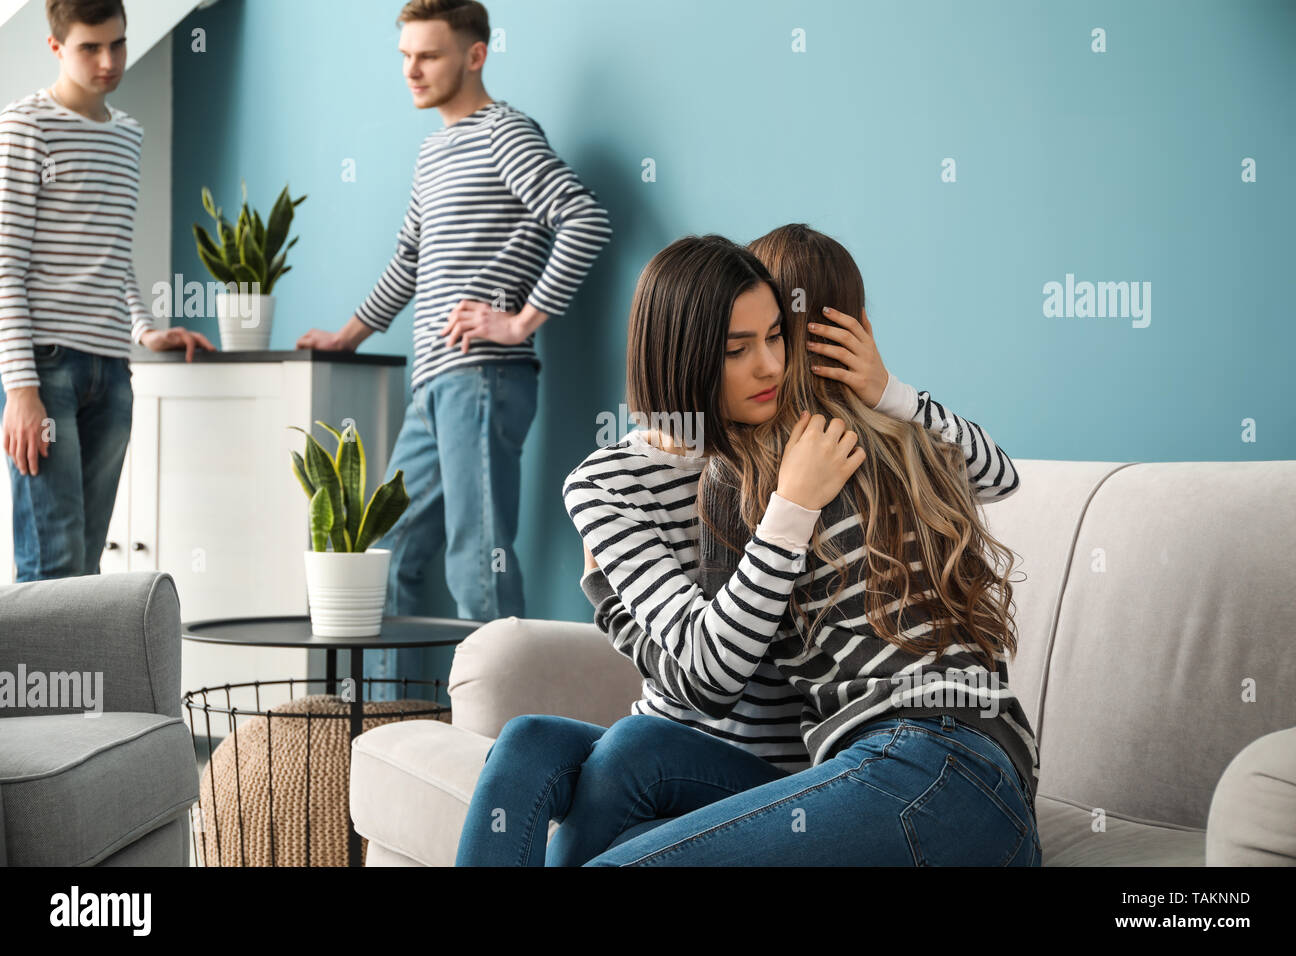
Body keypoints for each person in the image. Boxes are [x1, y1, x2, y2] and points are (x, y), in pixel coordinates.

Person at [456, 227, 1030, 865]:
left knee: (627, 768)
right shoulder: (718, 474)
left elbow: (1000, 477)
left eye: (777, 337)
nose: (771, 365)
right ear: (685, 355)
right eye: (738, 348)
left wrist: (885, 391)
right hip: (784, 757)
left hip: (891, 761)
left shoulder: (798, 455)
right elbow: (707, 673)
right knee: (565, 741)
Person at [295, 0, 611, 699]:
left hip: (484, 378)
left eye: (428, 55)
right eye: (405, 54)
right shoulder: (434, 148)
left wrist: (521, 320)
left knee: (480, 563)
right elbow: (411, 258)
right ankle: (390, 727)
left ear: (474, 55)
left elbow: (583, 215)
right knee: (395, 553)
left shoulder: (505, 132)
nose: (412, 69)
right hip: (432, 385)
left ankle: (503, 734)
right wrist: (349, 334)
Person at [0, 0, 214, 583]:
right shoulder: (26, 126)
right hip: (45, 372)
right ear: (55, 48)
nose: (108, 60)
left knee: (87, 572)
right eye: (89, 48)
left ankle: (82, 680)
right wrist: (20, 390)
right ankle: (35, 679)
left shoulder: (127, 135)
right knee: (53, 569)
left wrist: (147, 329)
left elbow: (114, 254)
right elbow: (6, 266)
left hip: (112, 374)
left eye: (117, 44)